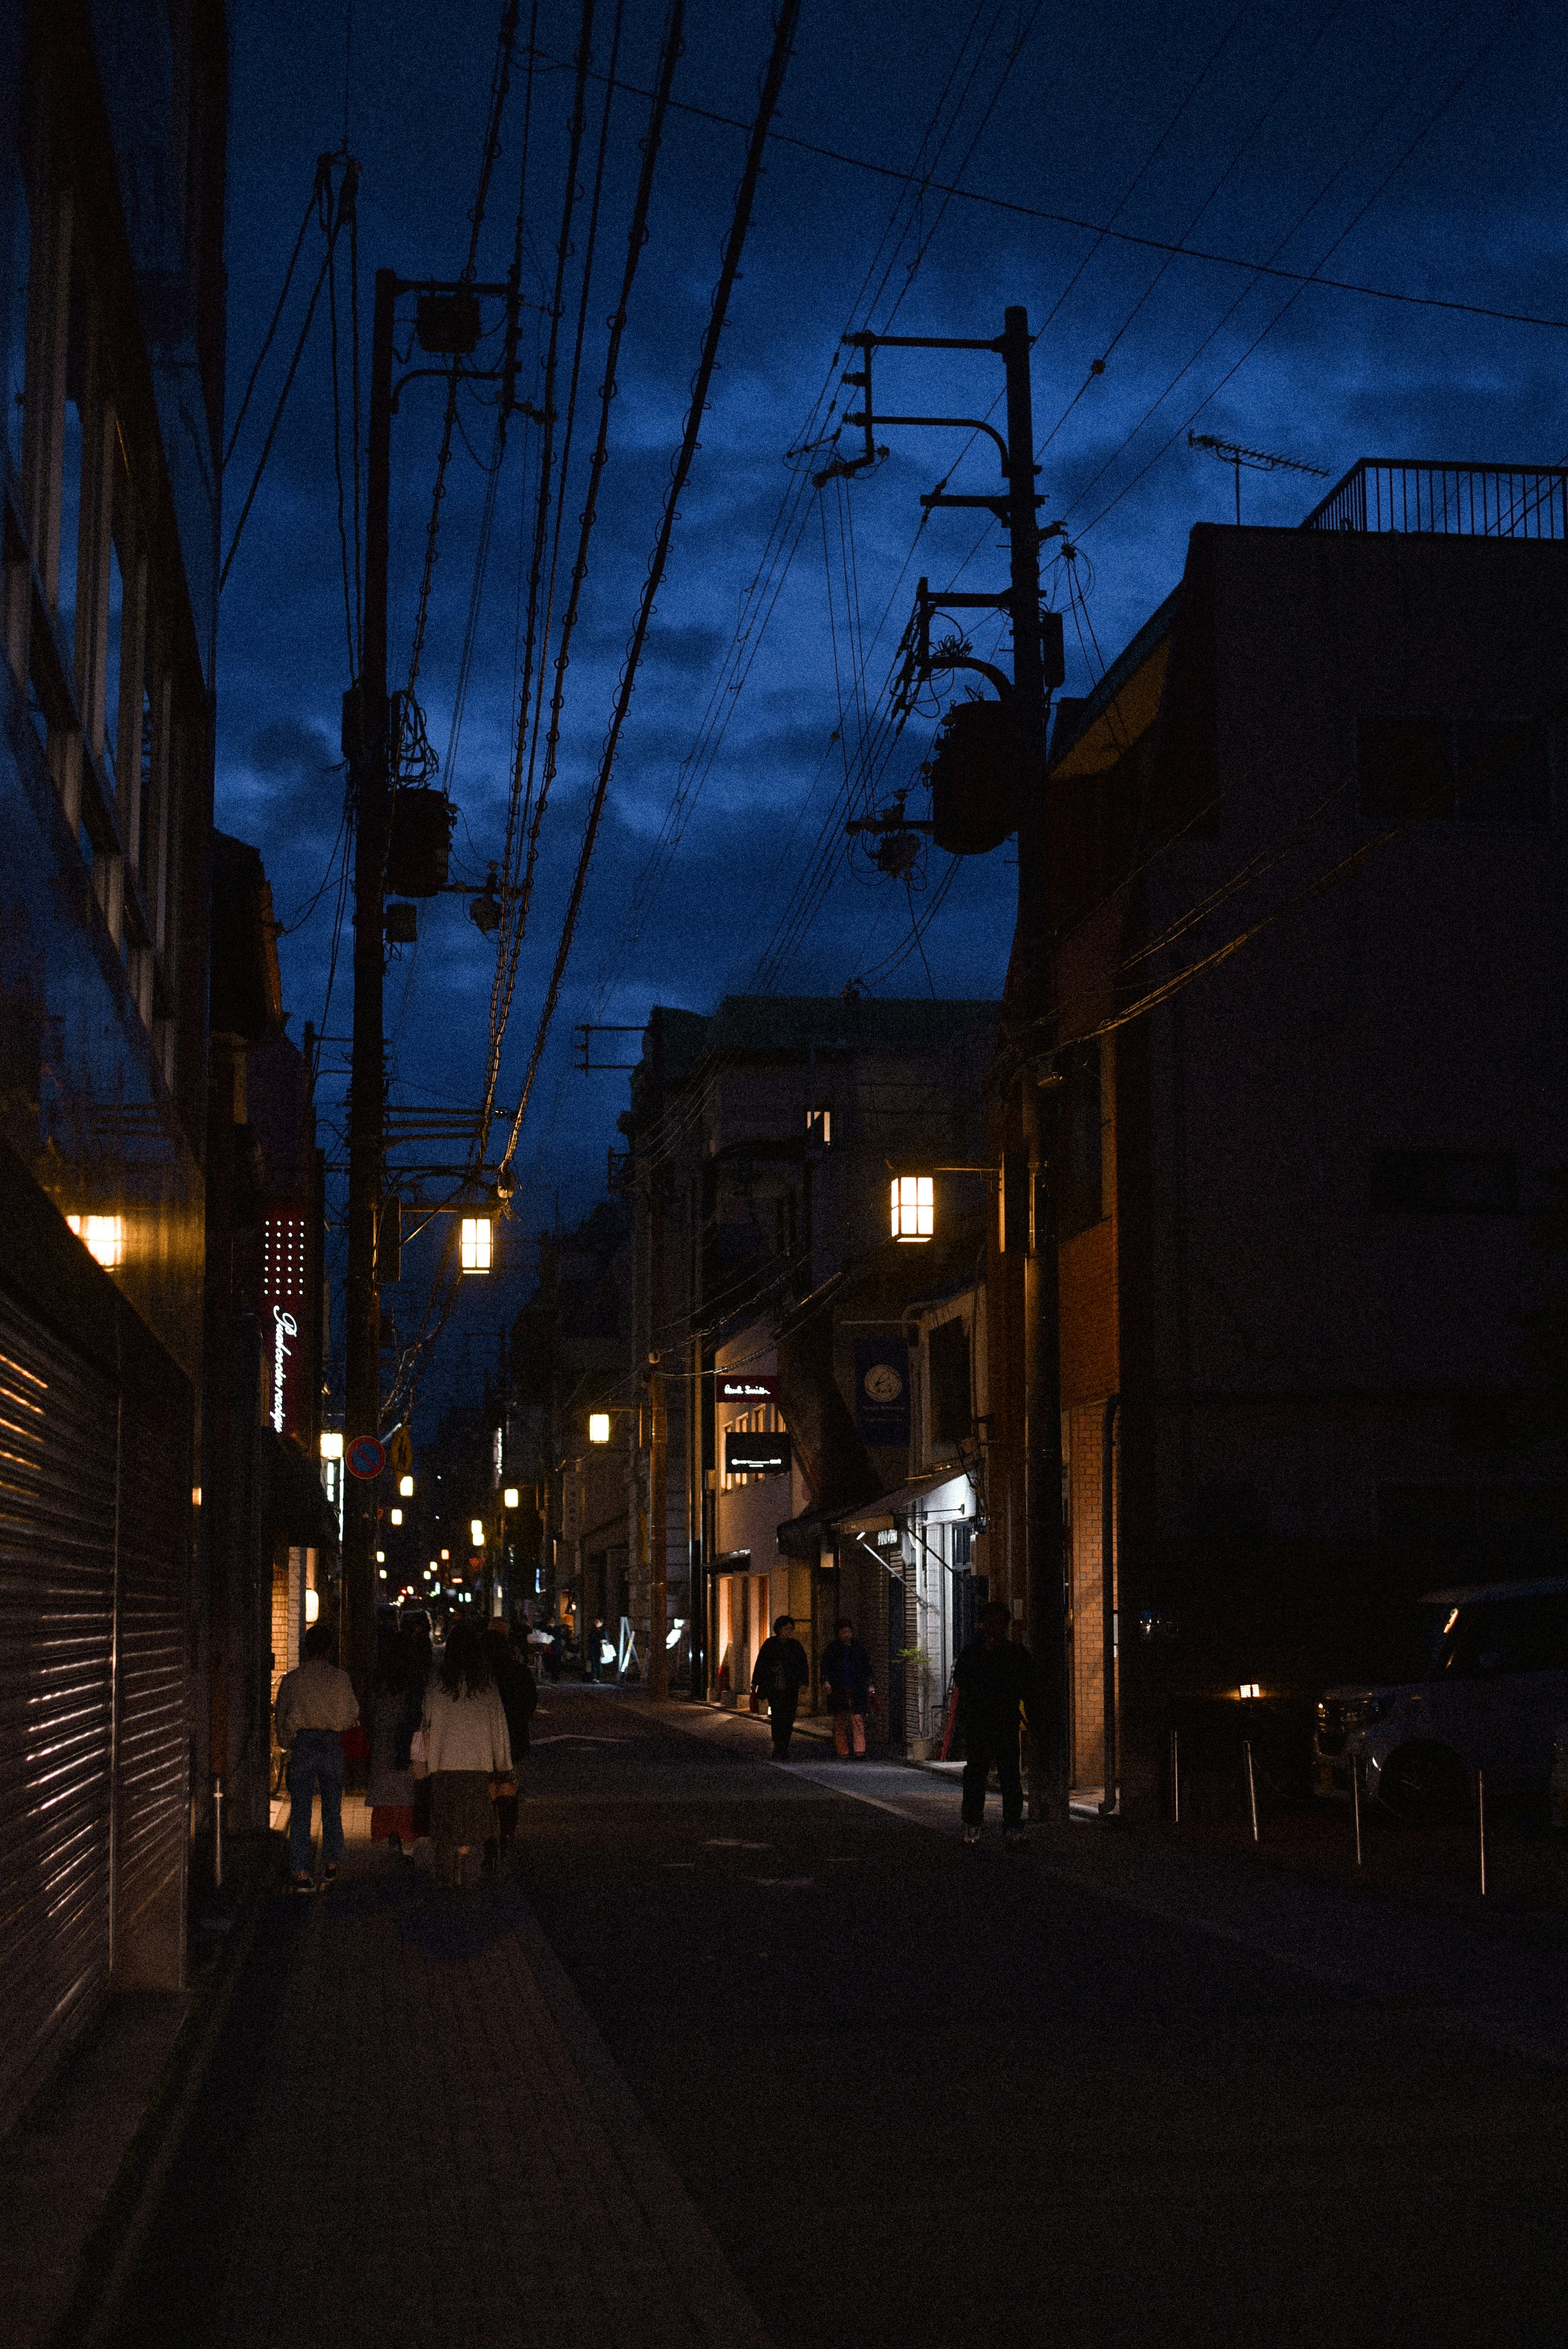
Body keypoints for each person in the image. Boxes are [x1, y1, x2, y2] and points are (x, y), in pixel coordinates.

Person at [422, 1620, 513, 1887]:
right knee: (475, 1826)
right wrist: (504, 1765)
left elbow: (425, 1722)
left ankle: (447, 1875)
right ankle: (468, 1873)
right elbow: (500, 1729)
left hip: (443, 1766)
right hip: (478, 1767)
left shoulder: (437, 1687)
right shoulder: (487, 1688)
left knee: (445, 1824)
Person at [274, 1621, 360, 1891]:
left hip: (304, 1743)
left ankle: (301, 1871)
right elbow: (352, 1714)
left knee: (300, 1810)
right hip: (332, 1743)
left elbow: (283, 1717)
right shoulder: (341, 1679)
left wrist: (287, 1742)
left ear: (307, 1649)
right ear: (330, 1649)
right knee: (332, 1809)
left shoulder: (293, 1680)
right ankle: (332, 1865)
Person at [953, 1599, 1038, 1848]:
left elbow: (1028, 1688)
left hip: (1003, 1722)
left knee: (1009, 1777)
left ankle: (1011, 1825)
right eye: (990, 1625)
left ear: (1005, 1626)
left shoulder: (1016, 1654)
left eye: (998, 1625)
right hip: (980, 1723)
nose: (993, 1630)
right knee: (977, 1775)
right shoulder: (973, 1653)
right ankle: (973, 1822)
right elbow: (961, 1679)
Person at [366, 1627, 426, 1854]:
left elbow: (371, 1712)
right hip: (410, 1745)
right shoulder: (415, 1679)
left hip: (383, 1744)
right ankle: (409, 1848)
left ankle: (392, 1838)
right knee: (408, 1799)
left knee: (388, 1797)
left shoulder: (378, 1679)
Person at [483, 1625, 537, 1866]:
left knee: (489, 1790)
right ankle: (506, 1835)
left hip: (486, 1743)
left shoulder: (481, 1675)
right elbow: (530, 1703)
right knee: (509, 1788)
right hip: (514, 1739)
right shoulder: (519, 1672)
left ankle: (490, 1842)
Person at [751, 1614, 811, 1759]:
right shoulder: (770, 1644)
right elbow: (762, 1663)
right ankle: (779, 1744)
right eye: (786, 1628)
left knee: (789, 1716)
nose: (789, 1631)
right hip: (774, 1686)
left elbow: (803, 1665)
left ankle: (785, 1743)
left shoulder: (796, 1646)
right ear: (779, 1629)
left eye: (791, 1629)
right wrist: (756, 1682)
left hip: (791, 1686)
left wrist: (804, 1682)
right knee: (777, 1716)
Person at [821, 1617, 875, 1759]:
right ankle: (843, 1750)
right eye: (843, 1632)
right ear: (838, 1634)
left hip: (857, 1687)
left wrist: (870, 1684)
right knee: (840, 1720)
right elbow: (826, 1668)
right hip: (839, 1688)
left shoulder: (858, 1648)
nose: (847, 1635)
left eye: (849, 1632)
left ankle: (860, 1749)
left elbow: (866, 1667)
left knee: (857, 1718)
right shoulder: (832, 1649)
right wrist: (827, 1682)